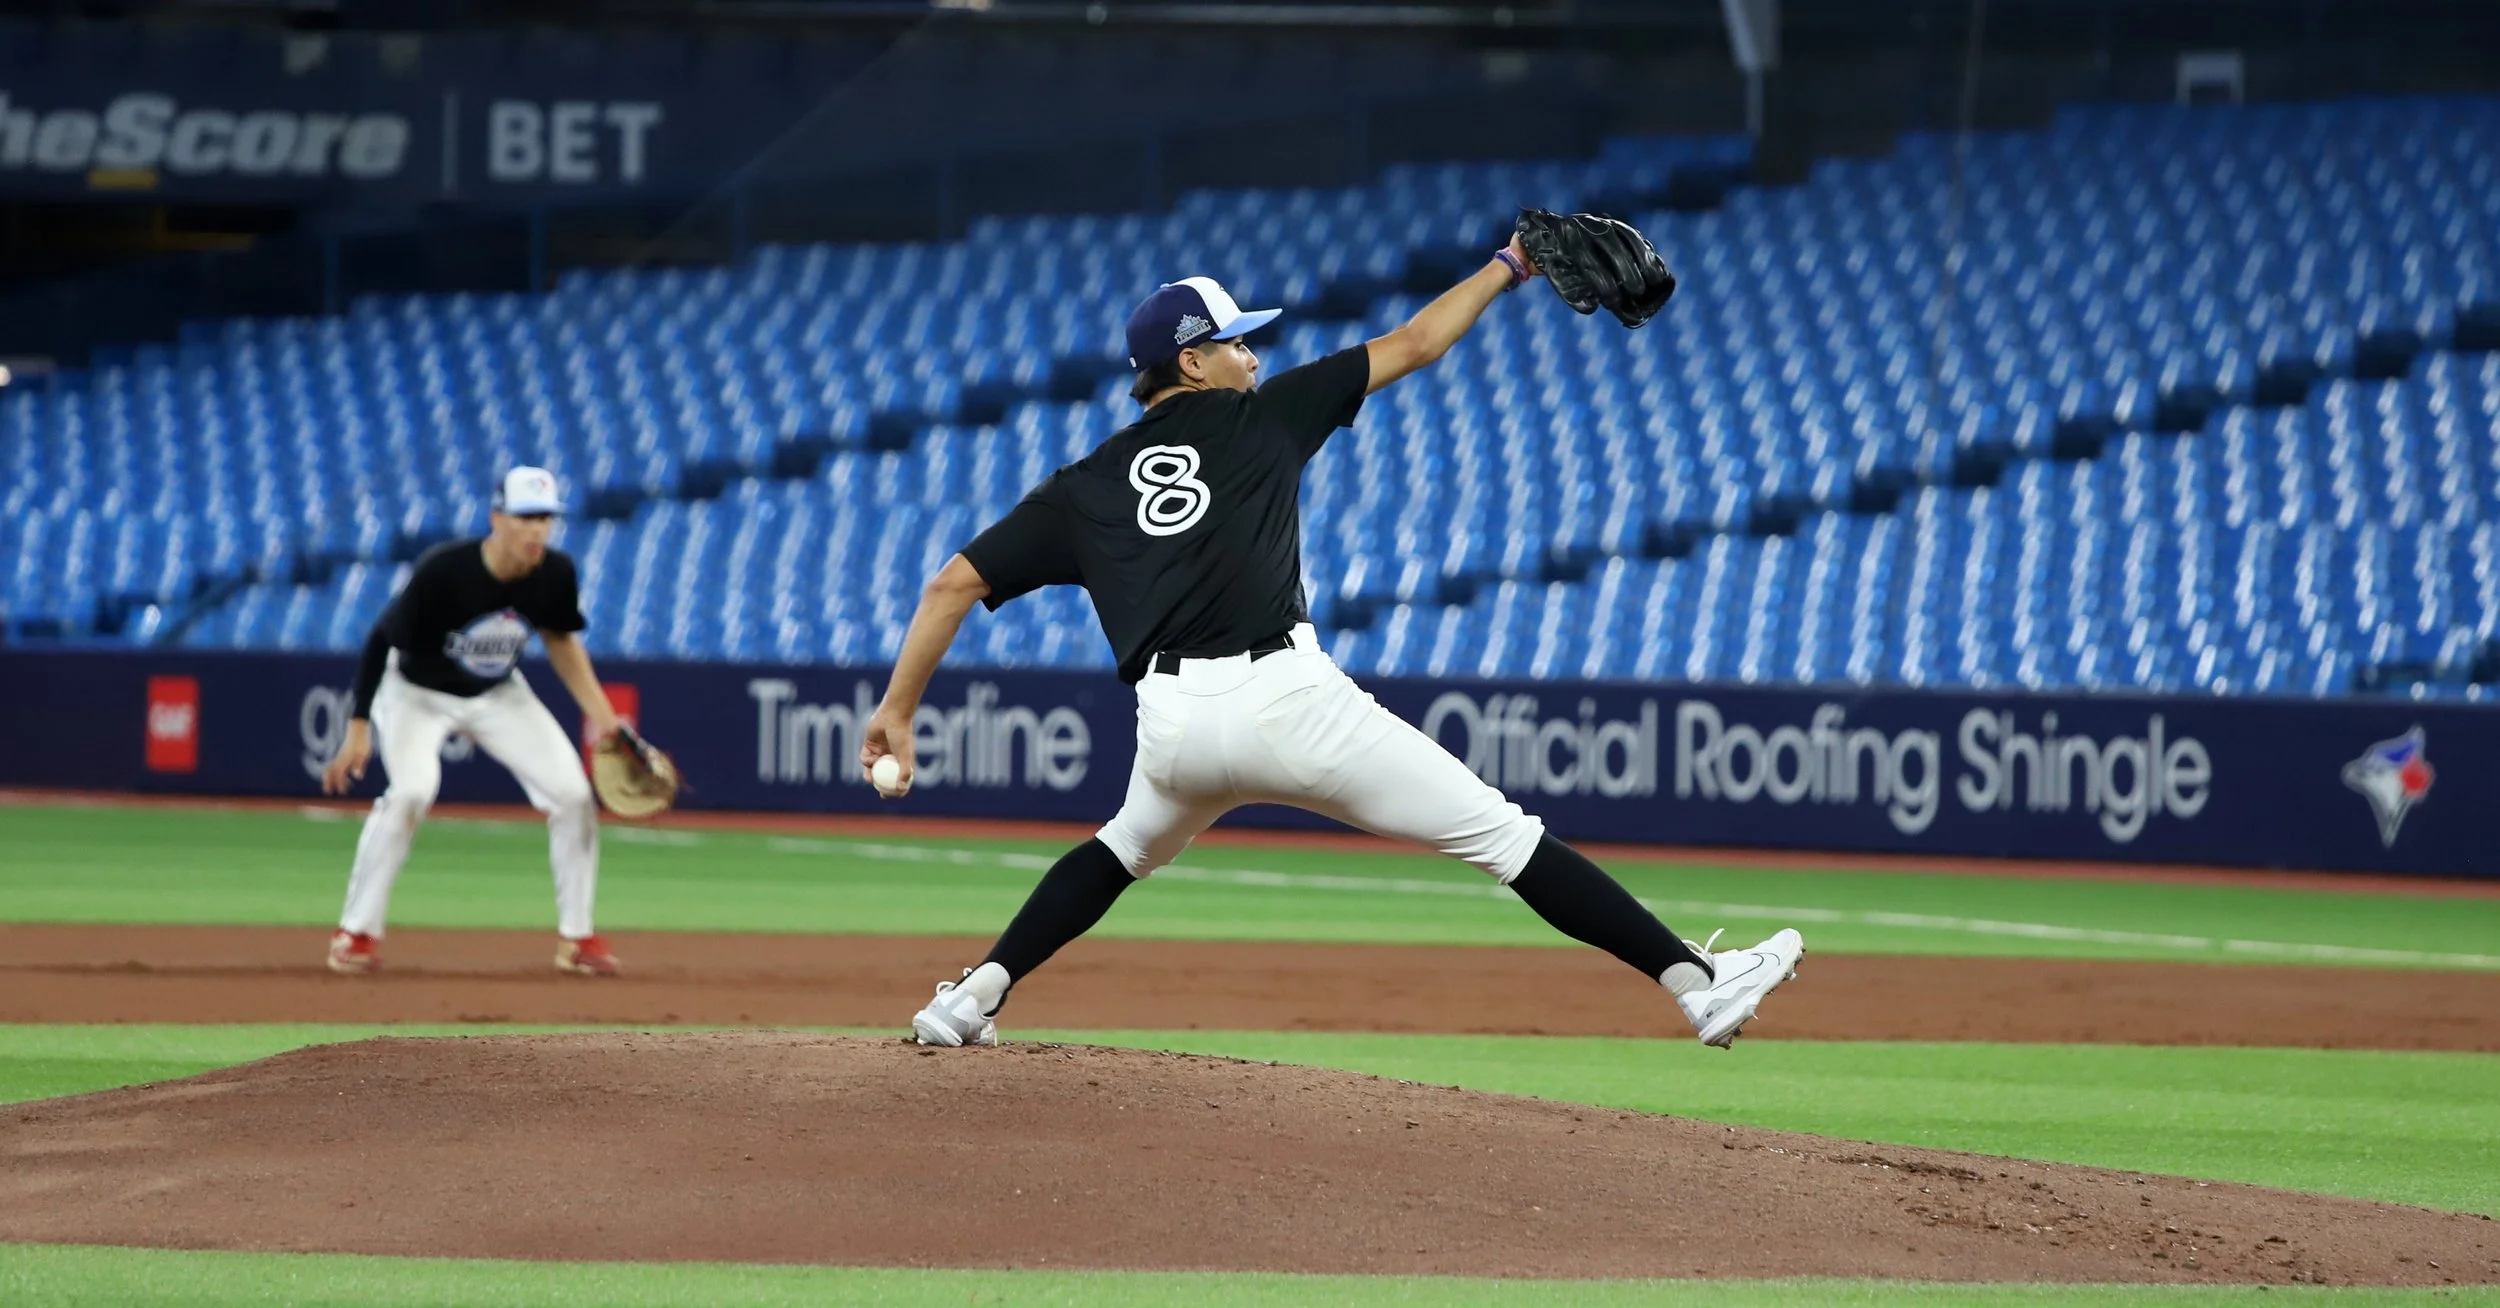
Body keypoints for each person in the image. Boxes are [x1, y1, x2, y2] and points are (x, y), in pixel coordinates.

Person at [862, 243, 1804, 1049]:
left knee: (1122, 848)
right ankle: (1694, 983)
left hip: (1175, 728)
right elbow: (1419, 343)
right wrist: (1509, 265)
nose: (1254, 356)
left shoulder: (1081, 486)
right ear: (1192, 363)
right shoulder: (1262, 416)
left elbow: (953, 583)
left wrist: (898, 711)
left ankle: (975, 994)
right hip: (1287, 700)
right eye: (1237, 342)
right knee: (1506, 838)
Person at [319, 466, 624, 977]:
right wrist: (358, 727)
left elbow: (560, 640)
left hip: (497, 692)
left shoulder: (555, 573)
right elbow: (380, 640)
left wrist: (605, 721)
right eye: (526, 517)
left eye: (546, 518)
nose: (537, 530)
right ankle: (356, 932)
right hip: (416, 691)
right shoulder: (445, 570)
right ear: (497, 518)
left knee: (573, 795)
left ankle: (578, 939)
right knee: (412, 792)